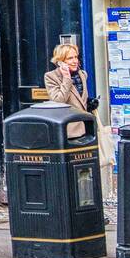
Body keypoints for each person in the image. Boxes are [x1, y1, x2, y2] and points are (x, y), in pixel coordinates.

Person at [45, 42, 116, 206]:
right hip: (70, 132)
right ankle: (74, 205)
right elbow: (58, 100)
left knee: (90, 170)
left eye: (75, 57)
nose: (74, 61)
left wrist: (90, 103)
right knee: (73, 171)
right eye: (70, 58)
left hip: (87, 129)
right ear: (61, 60)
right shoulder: (51, 77)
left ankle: (91, 206)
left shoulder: (82, 74)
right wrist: (67, 79)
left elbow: (81, 100)